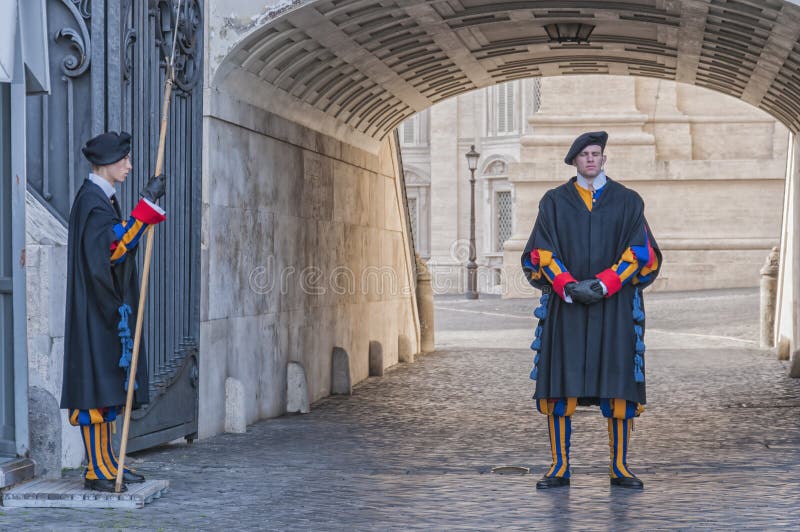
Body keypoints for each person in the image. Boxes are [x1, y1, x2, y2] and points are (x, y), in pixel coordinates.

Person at [521, 131, 662, 490]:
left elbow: (639, 252)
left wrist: (603, 284)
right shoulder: (553, 202)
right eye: (584, 154)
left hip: (612, 309)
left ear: (604, 158)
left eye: (596, 153)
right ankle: (559, 465)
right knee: (559, 385)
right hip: (565, 307)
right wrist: (568, 285)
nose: (591, 159)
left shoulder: (628, 201)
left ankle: (620, 466)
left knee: (616, 384)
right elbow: (541, 252)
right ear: (574, 160)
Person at [60, 131, 167, 492]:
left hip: (106, 311)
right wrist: (145, 208)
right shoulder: (92, 202)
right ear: (107, 164)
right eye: (124, 161)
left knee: (107, 389)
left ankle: (107, 464)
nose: (130, 166)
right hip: (96, 312)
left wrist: (142, 210)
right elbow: (113, 249)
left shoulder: (100, 198)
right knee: (95, 390)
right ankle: (97, 471)